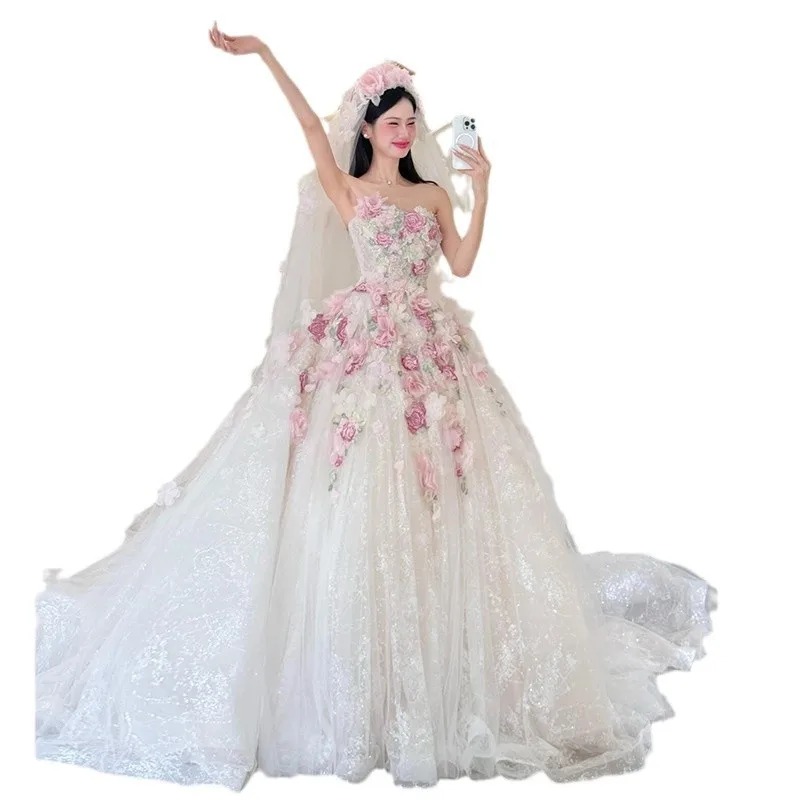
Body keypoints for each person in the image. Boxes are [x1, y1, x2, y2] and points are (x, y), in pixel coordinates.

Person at [34, 22, 717, 791]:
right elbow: (305, 124)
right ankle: (361, 663)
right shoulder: (349, 189)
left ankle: (433, 652)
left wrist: (485, 187)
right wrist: (264, 55)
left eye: (409, 120)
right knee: (351, 484)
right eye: (390, 121)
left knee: (443, 490)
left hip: (429, 349)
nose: (402, 130)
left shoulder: (431, 193)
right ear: (366, 127)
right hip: (362, 345)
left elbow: (461, 263)